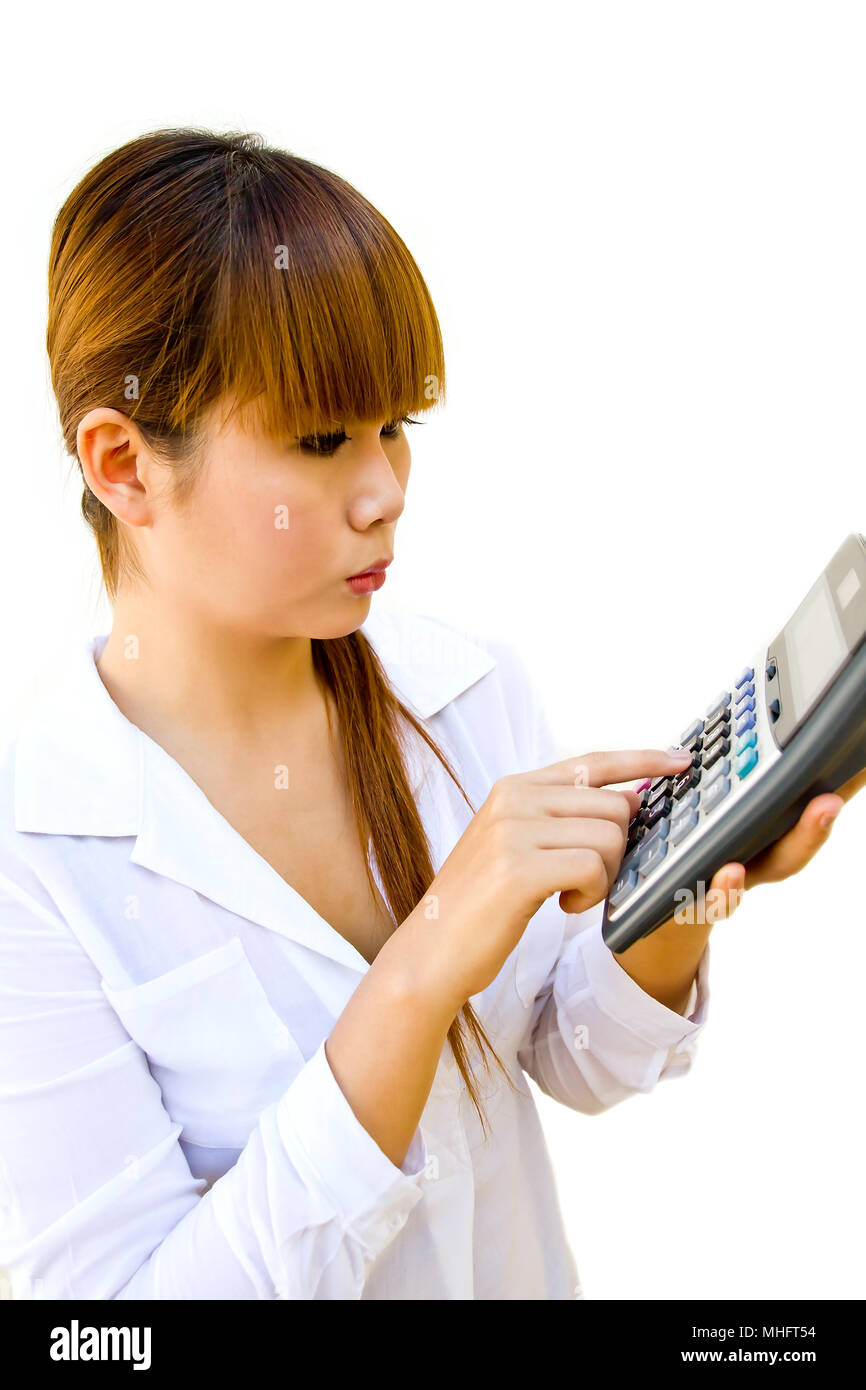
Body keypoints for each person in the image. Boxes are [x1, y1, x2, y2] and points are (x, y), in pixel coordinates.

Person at [0, 129, 860, 1301]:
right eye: (318, 441)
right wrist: (415, 972)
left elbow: (574, 1054)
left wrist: (682, 895)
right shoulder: (35, 862)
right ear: (123, 463)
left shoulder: (460, 692)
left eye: (394, 426)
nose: (384, 492)